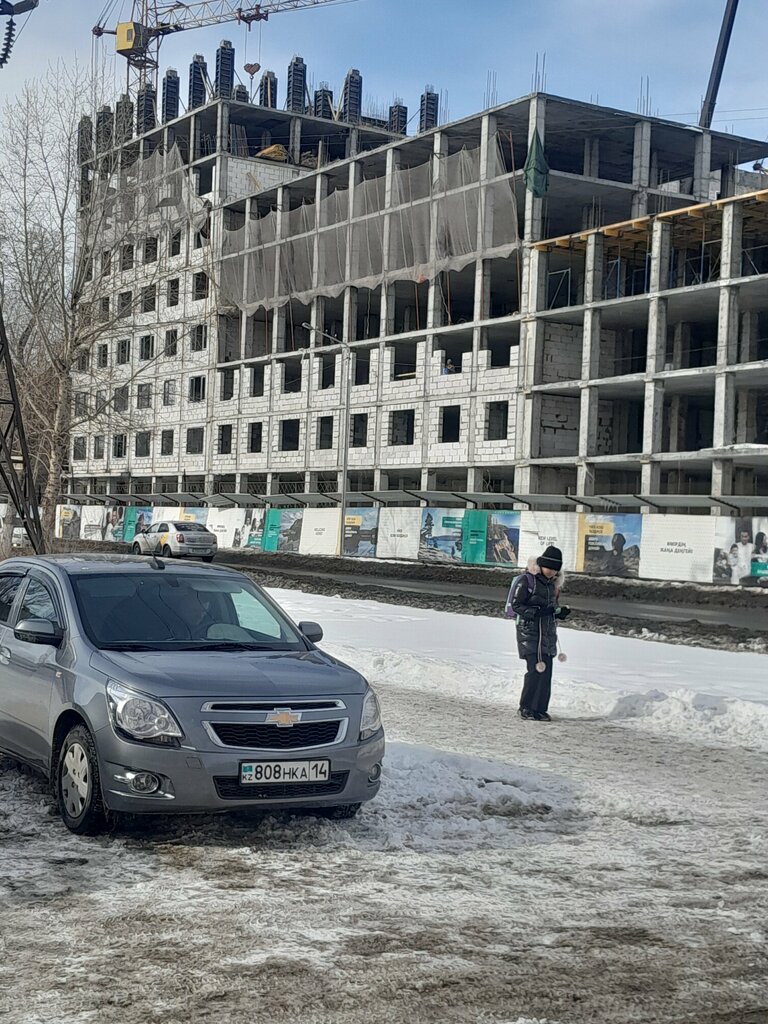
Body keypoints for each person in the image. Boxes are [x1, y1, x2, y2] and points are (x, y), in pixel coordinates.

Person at [511, 546, 571, 722]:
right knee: (534, 672)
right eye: (549, 567)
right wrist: (536, 612)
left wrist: (559, 613)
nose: (551, 571)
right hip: (529, 634)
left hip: (547, 635)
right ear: (542, 565)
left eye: (555, 569)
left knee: (546, 674)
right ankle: (526, 707)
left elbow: (552, 608)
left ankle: (540, 709)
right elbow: (517, 605)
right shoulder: (526, 581)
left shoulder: (553, 586)